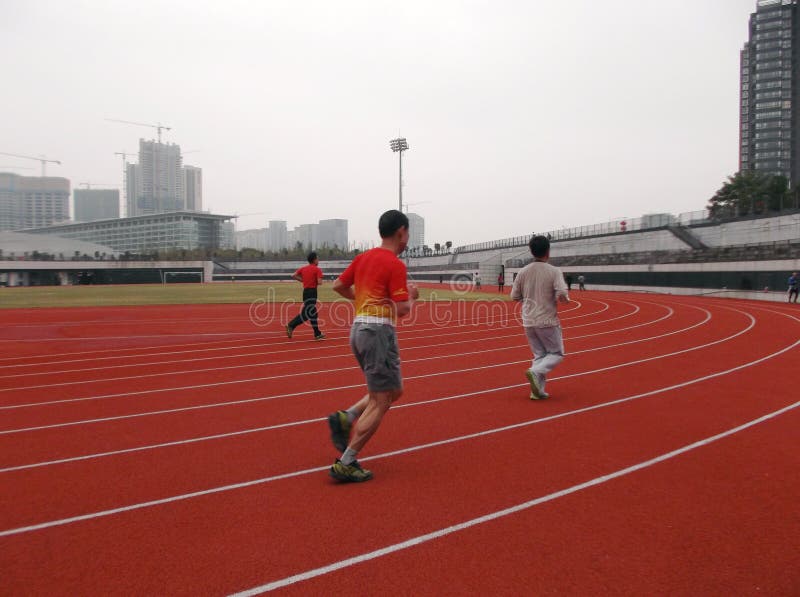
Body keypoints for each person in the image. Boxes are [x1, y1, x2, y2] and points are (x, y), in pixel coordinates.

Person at [327, 210, 419, 482]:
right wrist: (413, 297)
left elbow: (338, 286)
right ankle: (347, 461)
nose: (407, 239)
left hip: (359, 330)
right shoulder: (394, 264)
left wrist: (362, 300)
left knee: (394, 390)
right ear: (401, 231)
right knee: (381, 400)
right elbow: (402, 309)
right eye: (407, 234)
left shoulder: (363, 258)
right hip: (378, 331)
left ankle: (348, 416)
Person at [511, 235, 569, 400]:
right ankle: (535, 372)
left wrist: (527, 299)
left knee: (539, 355)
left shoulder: (523, 272)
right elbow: (562, 293)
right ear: (548, 251)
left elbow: (514, 296)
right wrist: (564, 298)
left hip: (528, 320)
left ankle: (537, 391)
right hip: (547, 320)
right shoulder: (554, 271)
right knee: (556, 353)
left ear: (531, 251)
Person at [285, 251, 325, 340]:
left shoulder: (303, 268)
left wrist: (303, 280)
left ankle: (317, 333)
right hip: (312, 292)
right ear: (314, 260)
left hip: (305, 292)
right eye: (317, 258)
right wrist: (318, 279)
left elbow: (294, 275)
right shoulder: (317, 269)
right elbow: (320, 282)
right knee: (307, 314)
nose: (318, 260)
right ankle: (291, 325)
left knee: (313, 313)